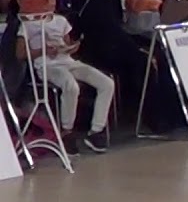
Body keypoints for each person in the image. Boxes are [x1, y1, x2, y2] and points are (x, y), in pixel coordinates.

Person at [15, 8, 115, 155]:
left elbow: (67, 45)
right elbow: (20, 54)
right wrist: (43, 50)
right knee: (71, 86)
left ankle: (96, 131)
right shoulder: (27, 24)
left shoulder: (60, 21)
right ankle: (67, 131)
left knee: (106, 83)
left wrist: (71, 47)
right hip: (46, 65)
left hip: (68, 62)